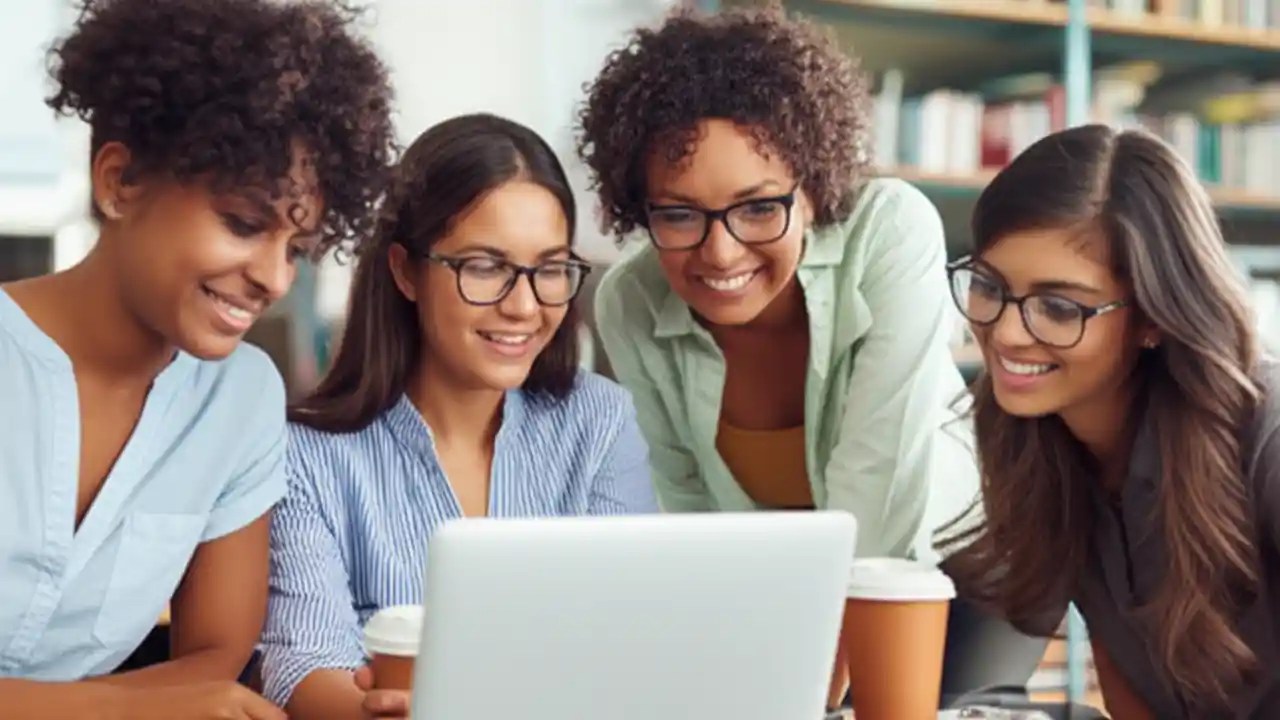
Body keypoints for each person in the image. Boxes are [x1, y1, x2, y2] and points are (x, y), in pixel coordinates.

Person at [0, 0, 395, 717]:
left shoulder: (239, 398)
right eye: (244, 223)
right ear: (120, 183)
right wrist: (115, 709)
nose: (275, 279)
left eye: (296, 249)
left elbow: (214, 660)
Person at [257, 113, 658, 720]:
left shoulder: (598, 423)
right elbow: (303, 665)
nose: (524, 306)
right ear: (404, 271)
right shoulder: (307, 453)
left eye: (549, 269)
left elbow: (632, 640)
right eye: (485, 267)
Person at [579, 6, 976, 575]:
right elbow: (687, 506)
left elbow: (878, 484)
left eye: (760, 207)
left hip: (952, 556)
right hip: (794, 582)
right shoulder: (631, 302)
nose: (721, 252)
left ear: (814, 189)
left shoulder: (890, 230)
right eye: (680, 214)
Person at [939, 124, 1280, 718]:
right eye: (990, 285)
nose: (1007, 333)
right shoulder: (1040, 441)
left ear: (1154, 315)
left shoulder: (1266, 434)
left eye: (1060, 306)